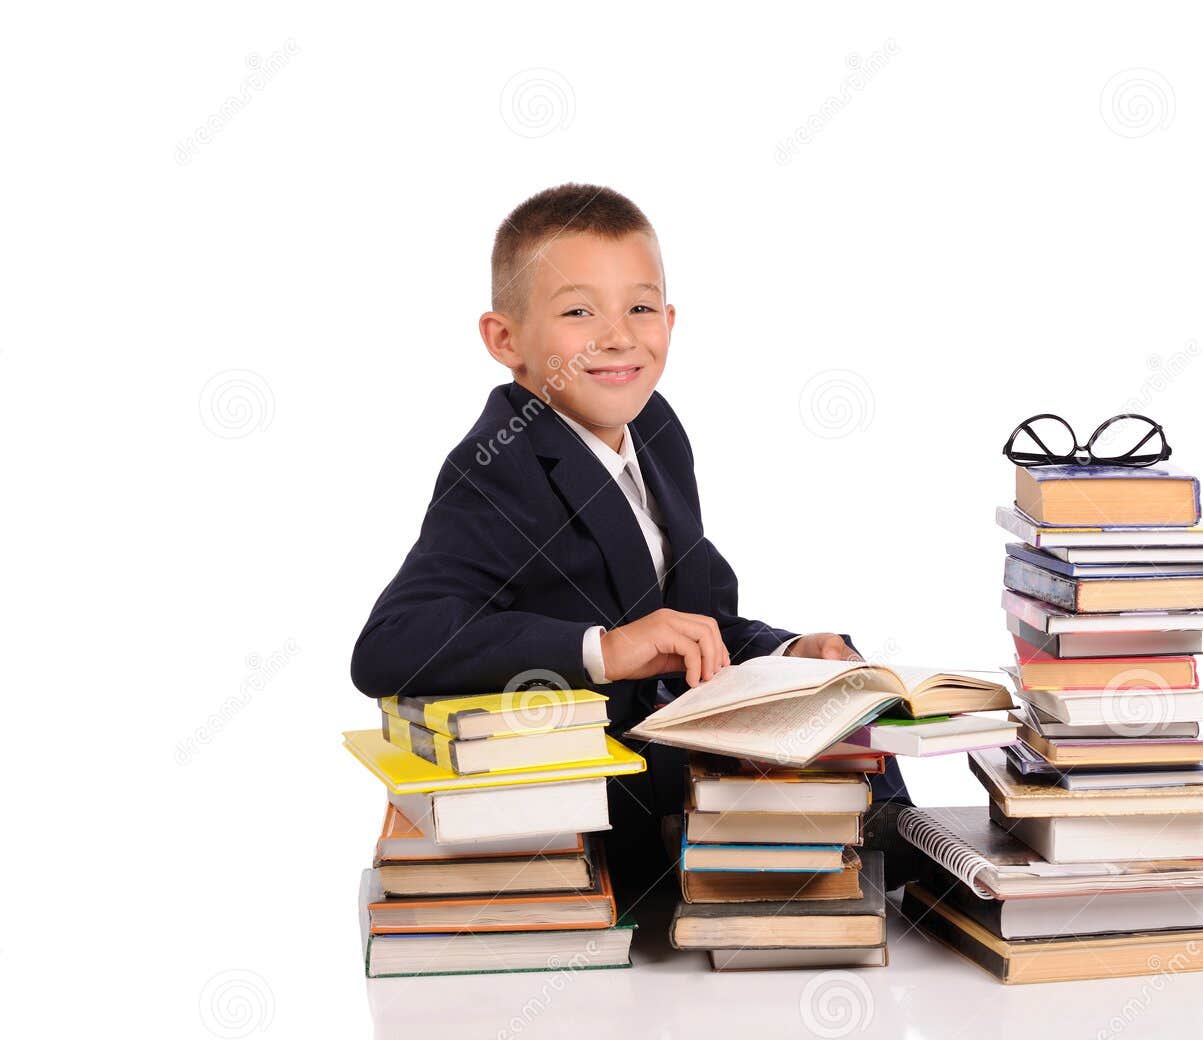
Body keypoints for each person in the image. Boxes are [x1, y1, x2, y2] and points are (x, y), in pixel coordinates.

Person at [350, 183, 913, 896]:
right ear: (507, 340)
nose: (618, 336)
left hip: (690, 783)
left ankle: (910, 846)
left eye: (640, 308)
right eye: (579, 311)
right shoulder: (498, 466)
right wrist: (603, 649)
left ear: (670, 322)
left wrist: (787, 649)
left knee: (846, 689)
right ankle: (883, 854)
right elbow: (391, 642)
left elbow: (686, 623)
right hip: (609, 824)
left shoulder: (654, 431)